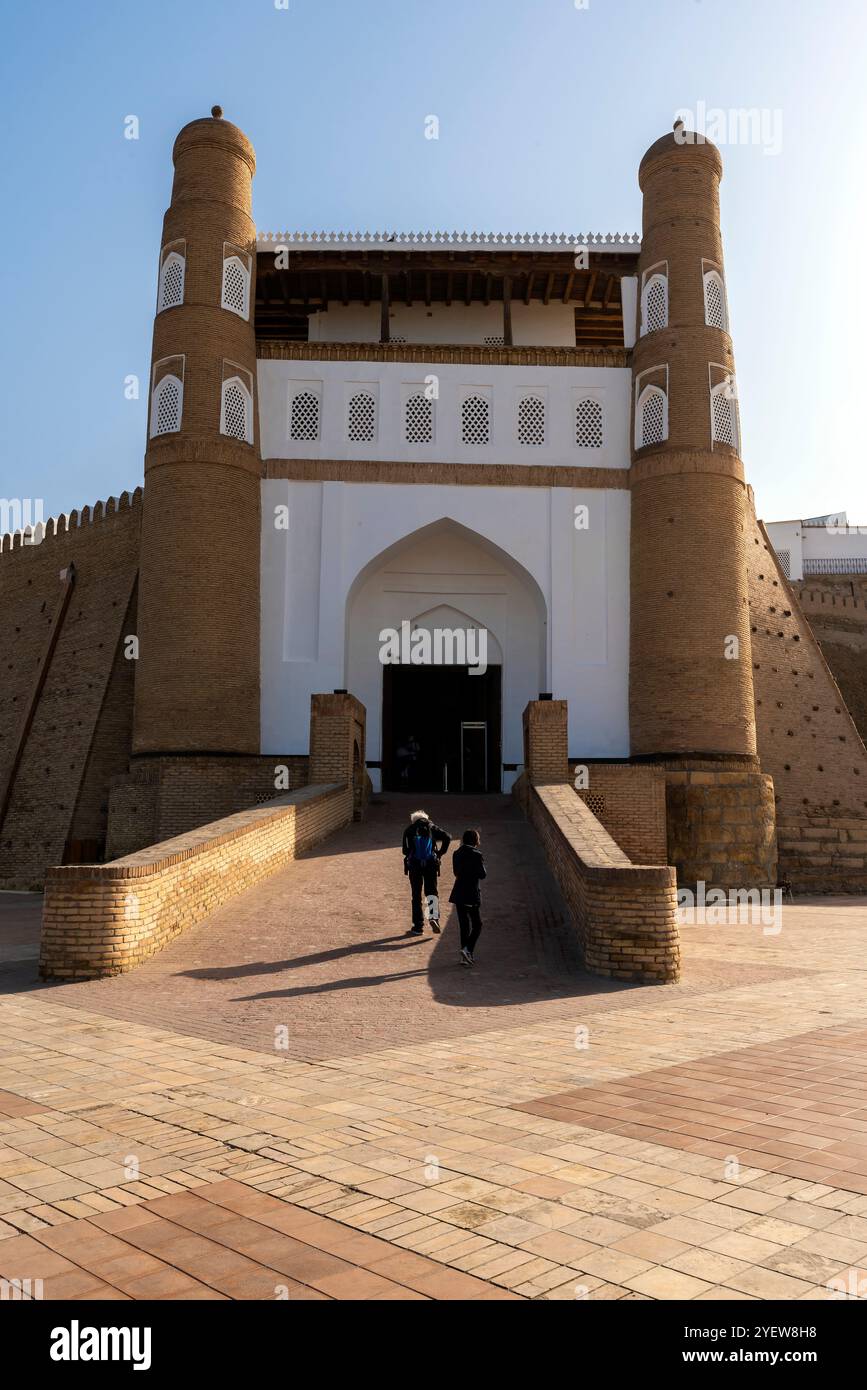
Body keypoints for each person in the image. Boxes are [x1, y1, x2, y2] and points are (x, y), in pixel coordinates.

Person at [402, 809, 450, 936]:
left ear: (414, 820)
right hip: (430, 865)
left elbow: (405, 851)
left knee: (416, 895)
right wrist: (440, 853)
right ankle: (434, 918)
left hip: (415, 866)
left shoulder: (409, 830)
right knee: (432, 892)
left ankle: (418, 926)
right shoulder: (432, 827)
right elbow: (447, 837)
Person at [449, 828, 486, 966]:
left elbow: (456, 872)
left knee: (464, 925)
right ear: (475, 840)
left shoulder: (456, 853)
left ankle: (464, 956)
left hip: (459, 893)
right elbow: (483, 875)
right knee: (477, 924)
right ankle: (468, 949)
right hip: (471, 894)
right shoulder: (477, 854)